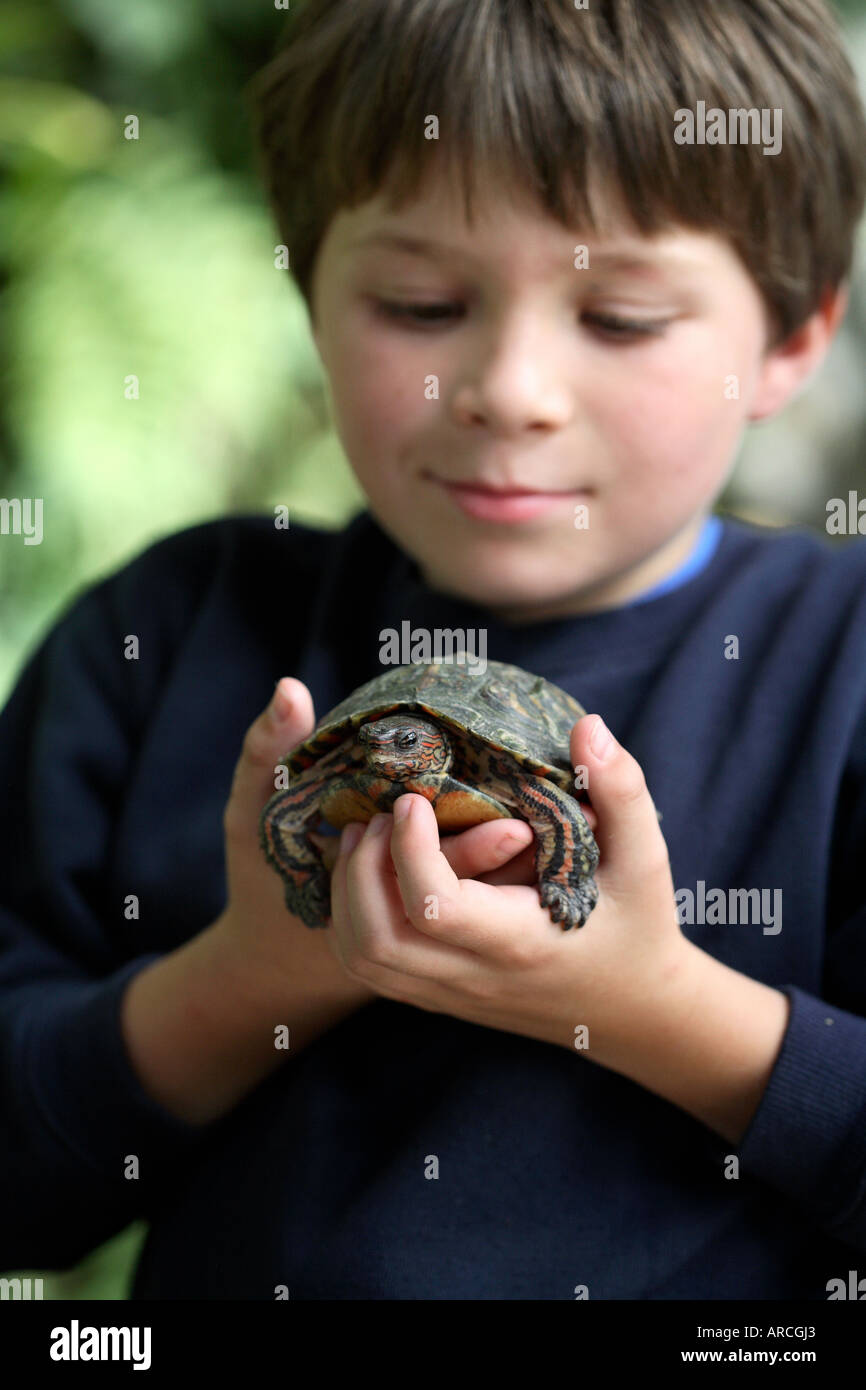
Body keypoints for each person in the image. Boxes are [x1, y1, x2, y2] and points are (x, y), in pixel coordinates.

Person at [2, 0, 866, 1300]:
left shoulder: (838, 660)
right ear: (308, 291)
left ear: (791, 337)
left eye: (622, 316)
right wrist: (252, 974)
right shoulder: (164, 634)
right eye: (420, 301)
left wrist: (648, 1002)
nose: (507, 387)